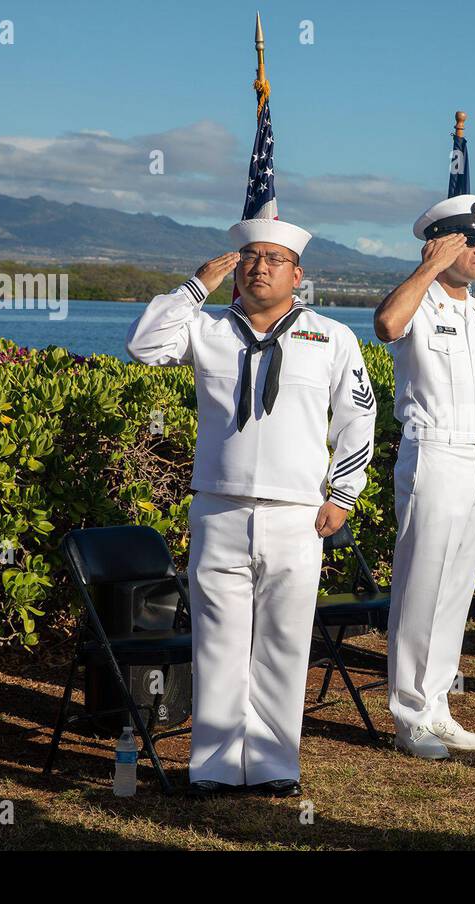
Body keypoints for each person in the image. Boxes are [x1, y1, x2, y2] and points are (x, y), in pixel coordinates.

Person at [126, 217, 376, 797]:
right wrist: (193, 288)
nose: (258, 266)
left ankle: (272, 763)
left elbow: (357, 418)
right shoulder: (206, 330)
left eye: (273, 259)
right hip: (219, 506)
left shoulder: (331, 337)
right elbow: (142, 347)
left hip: (298, 512)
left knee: (284, 642)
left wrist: (343, 494)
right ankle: (212, 765)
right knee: (217, 640)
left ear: (297, 273)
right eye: (249, 258)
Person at [372, 194, 475, 760]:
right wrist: (425, 268)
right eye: (468, 241)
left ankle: (438, 706)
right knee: (422, 586)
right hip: (433, 453)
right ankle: (407, 714)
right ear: (439, 244)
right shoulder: (417, 302)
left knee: (456, 590)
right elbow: (385, 324)